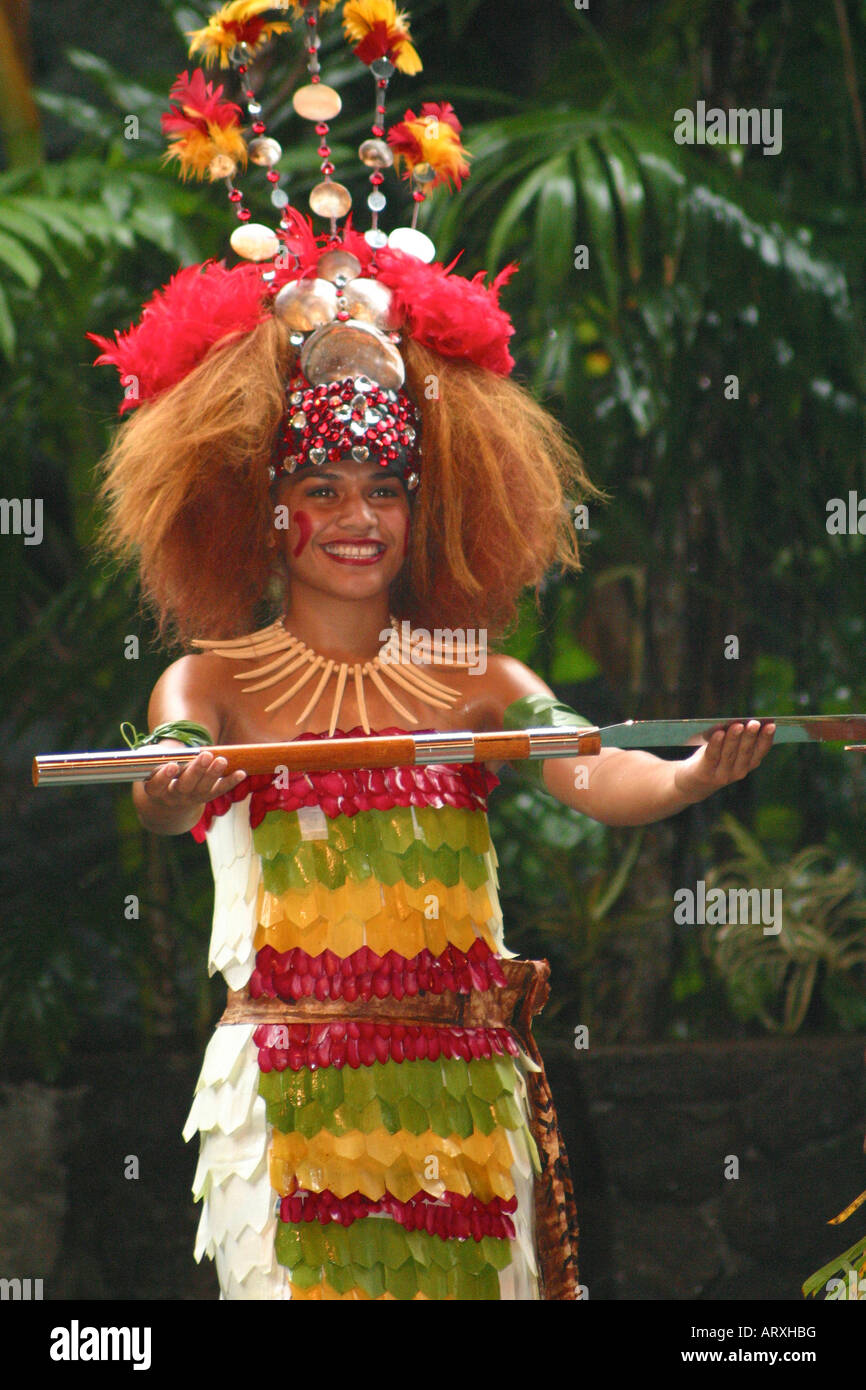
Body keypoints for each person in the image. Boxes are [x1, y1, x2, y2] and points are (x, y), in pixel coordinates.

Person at [90, 1, 775, 1301]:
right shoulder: (212, 678)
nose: (358, 517)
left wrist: (682, 777)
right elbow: (164, 764)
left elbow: (588, 773)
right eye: (325, 486)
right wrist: (171, 778)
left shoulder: (471, 673)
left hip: (462, 1107)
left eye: (385, 488)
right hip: (285, 1111)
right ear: (262, 502)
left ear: (429, 501)